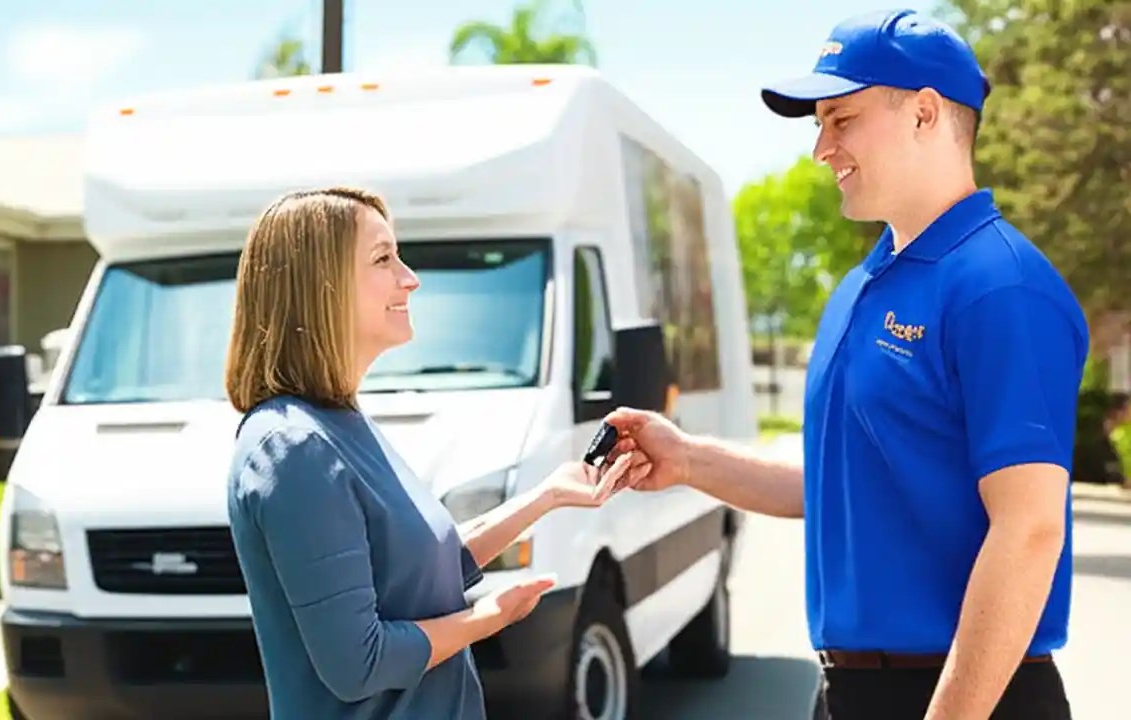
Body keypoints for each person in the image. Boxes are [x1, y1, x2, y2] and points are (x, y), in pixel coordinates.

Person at [605, 9, 1087, 720]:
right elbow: (841, 484)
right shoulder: (863, 289)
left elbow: (1029, 528)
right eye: (818, 125)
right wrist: (687, 460)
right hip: (850, 695)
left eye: (842, 119)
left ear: (925, 113)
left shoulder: (1000, 286)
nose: (821, 149)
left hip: (972, 697)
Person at [222, 186, 644, 720]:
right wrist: (489, 617)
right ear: (318, 286)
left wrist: (548, 495)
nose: (409, 277)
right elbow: (360, 663)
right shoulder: (291, 448)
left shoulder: (341, 424)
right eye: (383, 258)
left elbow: (425, 565)